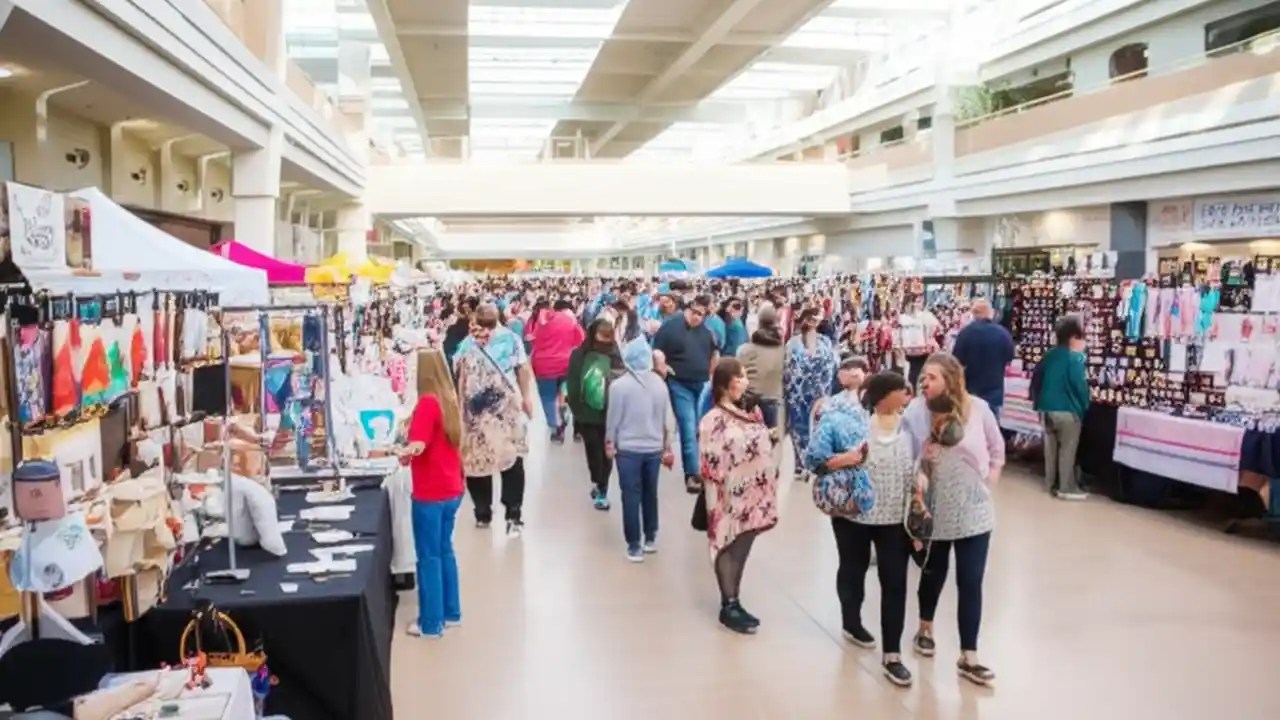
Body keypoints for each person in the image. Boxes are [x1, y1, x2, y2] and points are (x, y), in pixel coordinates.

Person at [902, 353, 1004, 687]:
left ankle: (969, 655)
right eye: (924, 377)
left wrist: (987, 484)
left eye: (931, 377)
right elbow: (906, 453)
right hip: (935, 505)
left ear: (950, 378)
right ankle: (925, 627)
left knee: (971, 580)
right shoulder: (917, 411)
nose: (924, 382)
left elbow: (997, 450)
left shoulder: (979, 409)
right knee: (933, 571)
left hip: (975, 508)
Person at [820, 372, 916, 686]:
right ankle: (851, 620)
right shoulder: (853, 425)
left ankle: (893, 654)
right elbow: (818, 460)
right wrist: (844, 460)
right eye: (903, 390)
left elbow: (919, 468)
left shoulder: (910, 427)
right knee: (853, 567)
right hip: (853, 515)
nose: (907, 394)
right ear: (885, 395)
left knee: (895, 582)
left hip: (895, 521)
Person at [698, 358, 780, 634]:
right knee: (725, 542)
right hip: (727, 496)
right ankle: (728, 602)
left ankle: (734, 598)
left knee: (743, 543)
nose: (745, 381)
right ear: (726, 382)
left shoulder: (750, 411)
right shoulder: (712, 420)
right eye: (741, 376)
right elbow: (711, 461)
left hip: (752, 497)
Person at [453, 303, 536, 537]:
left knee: (478, 462)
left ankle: (482, 511)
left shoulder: (466, 344)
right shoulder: (511, 339)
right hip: (505, 410)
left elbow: (458, 378)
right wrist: (526, 397)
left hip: (475, 413)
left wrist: (460, 410)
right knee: (511, 460)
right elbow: (523, 370)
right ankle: (513, 513)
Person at [399, 350, 465, 638]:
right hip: (452, 487)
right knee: (444, 550)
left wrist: (403, 453)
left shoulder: (426, 403)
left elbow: (419, 444)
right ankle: (451, 612)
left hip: (430, 490)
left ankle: (430, 623)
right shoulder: (449, 399)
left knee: (428, 557)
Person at [605, 343, 674, 562]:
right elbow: (667, 419)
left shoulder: (618, 387)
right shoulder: (660, 385)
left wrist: (610, 443)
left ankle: (634, 545)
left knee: (630, 495)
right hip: (653, 448)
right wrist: (667, 445)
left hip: (627, 450)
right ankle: (651, 536)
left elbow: (613, 419)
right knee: (650, 492)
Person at [652, 294, 718, 493]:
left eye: (702, 315)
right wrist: (663, 368)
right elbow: (656, 350)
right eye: (695, 313)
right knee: (688, 425)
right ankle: (692, 473)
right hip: (679, 383)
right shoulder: (670, 327)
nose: (697, 317)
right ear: (688, 309)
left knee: (700, 427)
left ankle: (698, 465)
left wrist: (711, 374)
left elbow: (714, 352)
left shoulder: (706, 332)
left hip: (701, 384)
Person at [566, 318, 625, 510]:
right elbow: (573, 384)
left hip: (610, 415)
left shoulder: (616, 356)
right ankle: (597, 480)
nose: (605, 341)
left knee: (606, 452)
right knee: (593, 449)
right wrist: (577, 411)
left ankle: (602, 487)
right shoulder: (579, 355)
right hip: (586, 414)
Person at [1032, 315, 1090, 500]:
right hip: (1067, 409)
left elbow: (1037, 380)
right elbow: (1079, 385)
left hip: (1046, 408)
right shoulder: (1075, 359)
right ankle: (1066, 487)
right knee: (1068, 450)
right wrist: (1084, 405)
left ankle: (1050, 483)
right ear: (1074, 337)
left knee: (1051, 450)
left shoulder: (1048, 356)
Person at [784, 308, 838, 482]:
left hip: (820, 392)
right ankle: (801, 465)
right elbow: (787, 368)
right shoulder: (793, 343)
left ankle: (818, 461)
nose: (814, 323)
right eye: (811, 319)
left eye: (817, 320)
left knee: (820, 427)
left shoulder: (825, 342)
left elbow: (832, 366)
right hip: (798, 394)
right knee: (798, 429)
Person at [531, 299, 585, 443]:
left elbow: (533, 339)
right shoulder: (570, 321)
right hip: (566, 364)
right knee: (564, 394)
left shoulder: (541, 322)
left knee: (548, 398)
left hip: (544, 366)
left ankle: (557, 427)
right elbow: (581, 339)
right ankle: (564, 412)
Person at [951, 299, 1015, 417]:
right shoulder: (1003, 334)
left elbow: (955, 362)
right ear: (991, 313)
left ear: (974, 314)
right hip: (994, 391)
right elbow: (1009, 357)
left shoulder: (965, 334)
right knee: (991, 426)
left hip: (971, 391)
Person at [736, 304, 785, 433]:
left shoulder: (744, 350)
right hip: (774, 401)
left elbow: (736, 375)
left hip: (748, 402)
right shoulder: (784, 351)